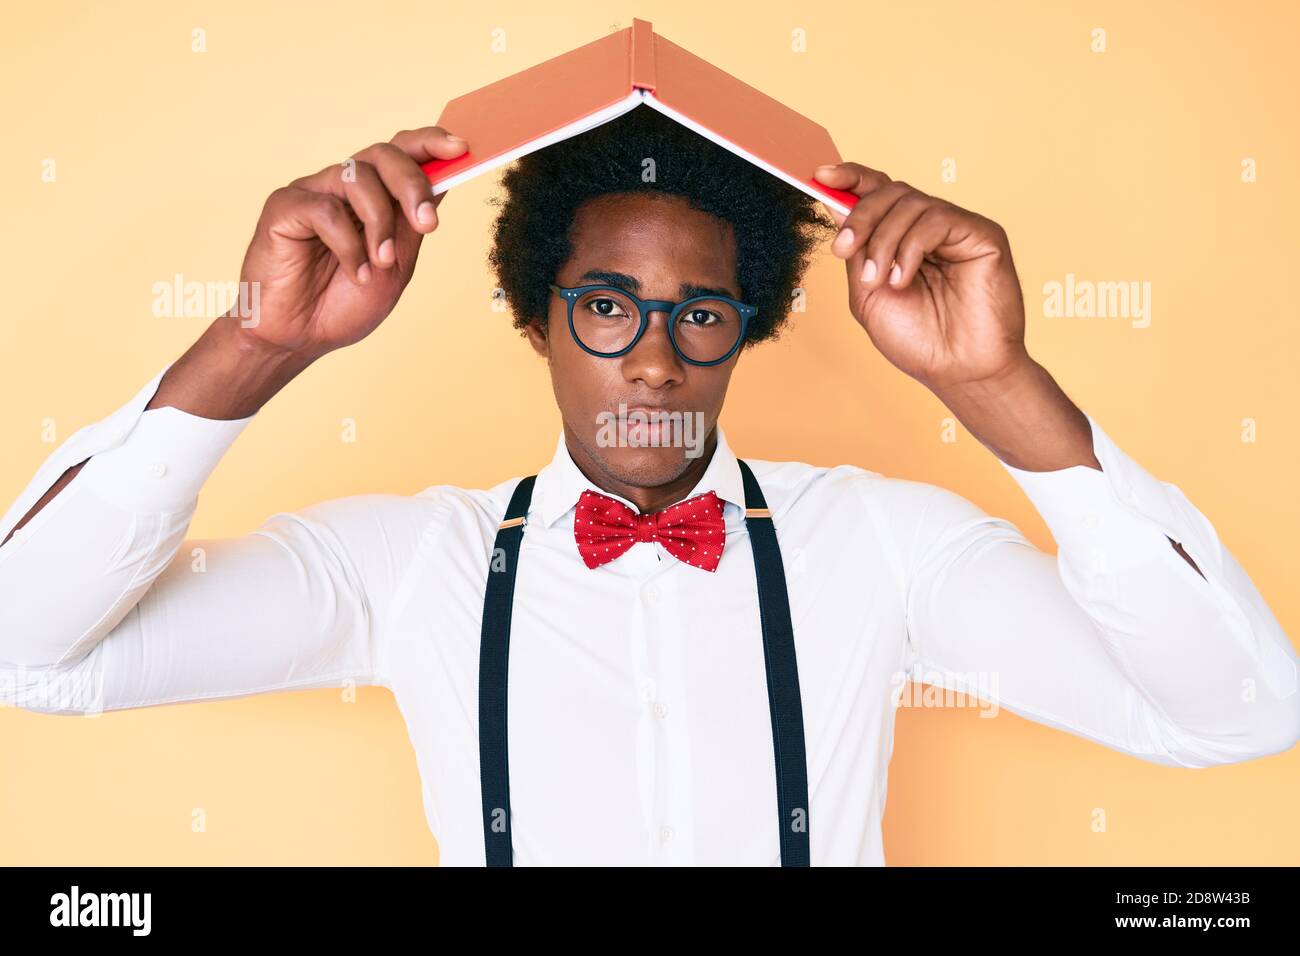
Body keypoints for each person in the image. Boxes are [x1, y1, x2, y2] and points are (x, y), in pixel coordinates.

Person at [1, 106, 1296, 867]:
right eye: (608, 305)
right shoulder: (414, 568)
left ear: (754, 322)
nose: (657, 359)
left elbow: (1234, 715)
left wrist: (998, 384)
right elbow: (29, 651)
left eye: (701, 315)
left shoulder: (880, 544)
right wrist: (260, 341)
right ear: (536, 314)